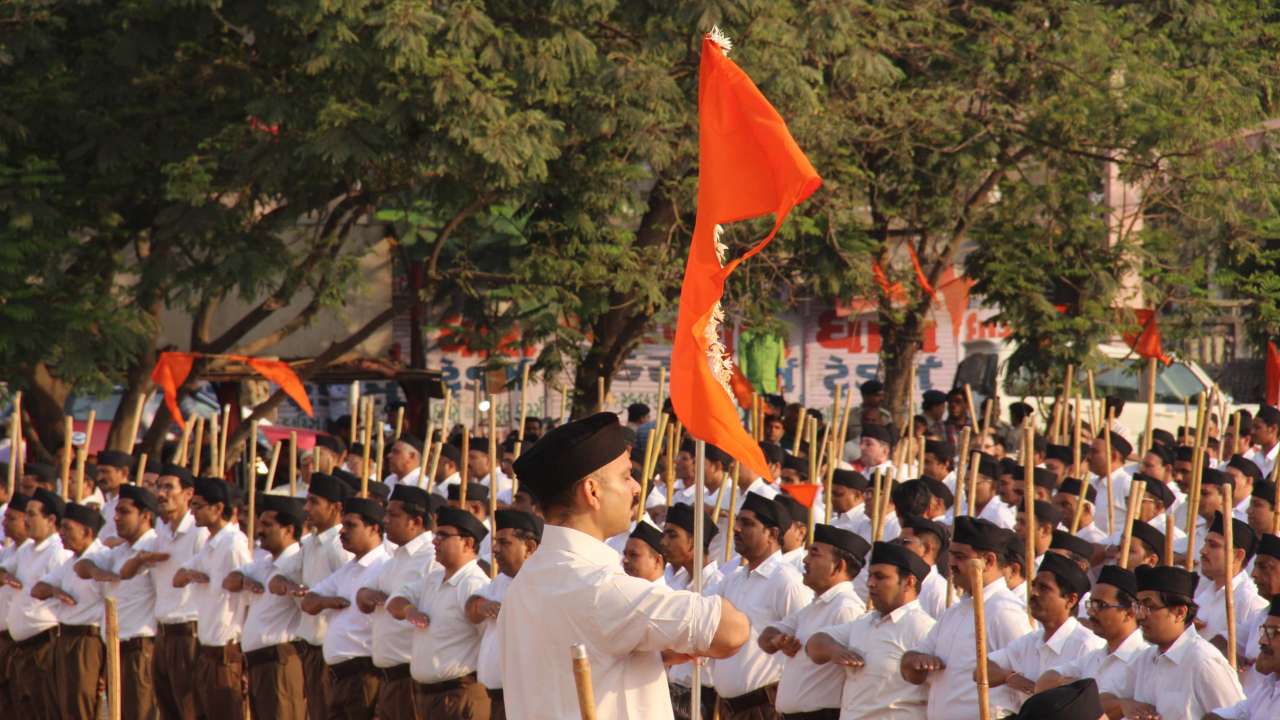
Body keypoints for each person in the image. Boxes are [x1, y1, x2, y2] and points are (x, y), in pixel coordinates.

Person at [499, 412, 751, 719]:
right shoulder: (599, 586)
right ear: (592, 491)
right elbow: (732, 631)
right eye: (625, 475)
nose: (636, 487)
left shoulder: (524, 584)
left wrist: (654, 649)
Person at [900, 516, 1033, 719]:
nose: (951, 563)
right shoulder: (955, 612)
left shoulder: (1005, 612)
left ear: (988, 561)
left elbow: (1026, 681)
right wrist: (915, 661)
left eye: (960, 556)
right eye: (951, 555)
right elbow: (913, 663)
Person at [806, 540, 934, 719]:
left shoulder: (924, 629)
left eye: (880, 577)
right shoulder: (865, 622)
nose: (870, 584)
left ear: (908, 583)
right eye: (870, 576)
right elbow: (815, 643)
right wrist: (835, 651)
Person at [120, 463, 209, 720]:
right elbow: (126, 573)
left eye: (169, 487)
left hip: (189, 632)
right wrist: (141, 559)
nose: (161, 493)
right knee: (168, 710)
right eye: (159, 487)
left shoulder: (198, 532)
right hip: (163, 633)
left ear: (188, 494)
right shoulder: (160, 532)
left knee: (190, 709)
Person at [713, 492, 814, 719]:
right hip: (730, 708)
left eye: (747, 523)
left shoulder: (786, 581)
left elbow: (805, 639)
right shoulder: (734, 579)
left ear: (773, 534)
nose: (736, 528)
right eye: (737, 521)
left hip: (765, 708)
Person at [387, 505, 491, 719]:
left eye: (443, 536)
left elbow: (488, 642)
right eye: (436, 535)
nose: (435, 541)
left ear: (468, 543)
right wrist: (409, 611)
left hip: (458, 696)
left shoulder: (474, 584)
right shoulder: (433, 579)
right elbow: (394, 602)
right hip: (428, 697)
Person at [760, 524, 868, 719]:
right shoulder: (813, 607)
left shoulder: (846, 608)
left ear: (839, 566)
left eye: (814, 554)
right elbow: (765, 637)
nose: (805, 560)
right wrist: (779, 641)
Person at [1112, 564, 1244, 719]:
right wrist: (1126, 705)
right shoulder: (1145, 659)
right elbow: (1105, 699)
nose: (1140, 616)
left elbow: (1235, 716)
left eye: (1149, 606)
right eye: (1138, 607)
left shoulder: (1203, 662)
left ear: (1180, 612)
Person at [301, 496, 391, 719]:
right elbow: (308, 602)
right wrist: (328, 602)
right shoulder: (348, 569)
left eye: (351, 525)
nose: (342, 532)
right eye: (342, 525)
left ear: (374, 529)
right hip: (338, 676)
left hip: (364, 674)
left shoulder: (384, 567)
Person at [76, 484, 160, 719]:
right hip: (115, 648)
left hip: (139, 649)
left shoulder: (153, 546)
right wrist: (95, 571)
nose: (116, 518)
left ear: (145, 515)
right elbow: (81, 565)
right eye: (116, 512)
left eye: (124, 512)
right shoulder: (119, 551)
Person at [355, 484, 437, 720]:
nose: (385, 520)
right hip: (388, 676)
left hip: (410, 675)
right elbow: (361, 595)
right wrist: (369, 596)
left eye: (393, 514)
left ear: (416, 522)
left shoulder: (432, 559)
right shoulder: (394, 559)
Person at [174, 477, 253, 718]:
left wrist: (245, 662)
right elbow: (177, 579)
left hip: (227, 653)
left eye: (198, 506)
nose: (192, 511)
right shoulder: (210, 543)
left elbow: (249, 598)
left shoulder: (233, 544)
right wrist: (190, 574)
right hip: (207, 651)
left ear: (218, 508)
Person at [277, 472, 353, 720]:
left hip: (329, 649)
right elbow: (280, 575)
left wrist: (320, 601)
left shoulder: (340, 546)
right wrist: (290, 588)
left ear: (336, 507)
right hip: (310, 645)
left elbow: (348, 597)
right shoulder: (310, 542)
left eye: (314, 502)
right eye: (307, 501)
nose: (306, 508)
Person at [986, 553, 1102, 710]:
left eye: (1044, 588)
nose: (1033, 593)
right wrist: (1009, 677)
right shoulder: (1029, 641)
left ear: (1071, 600)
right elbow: (982, 670)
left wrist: (1039, 688)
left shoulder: (1088, 645)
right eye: (1034, 585)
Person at [226, 495, 307, 720]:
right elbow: (229, 580)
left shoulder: (297, 563)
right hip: (259, 663)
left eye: (268, 525)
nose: (260, 530)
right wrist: (243, 581)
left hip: (279, 662)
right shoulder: (264, 564)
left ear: (289, 529)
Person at [33, 501, 107, 719]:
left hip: (87, 641)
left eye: (67, 528)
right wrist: (55, 591)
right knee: (62, 704)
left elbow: (112, 607)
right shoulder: (70, 562)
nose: (61, 533)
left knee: (81, 704)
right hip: (64, 638)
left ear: (87, 532)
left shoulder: (101, 559)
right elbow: (38, 589)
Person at [3, 488, 72, 719]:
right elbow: (5, 570)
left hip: (43, 646)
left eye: (32, 515)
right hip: (22, 647)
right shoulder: (27, 551)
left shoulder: (57, 553)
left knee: (42, 709)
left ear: (51, 520)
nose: (26, 520)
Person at [468, 509, 542, 720]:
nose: (494, 549)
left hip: (524, 701)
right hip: (496, 698)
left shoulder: (543, 585)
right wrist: (481, 605)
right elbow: (471, 607)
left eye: (504, 542)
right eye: (495, 541)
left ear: (529, 547)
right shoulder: (502, 579)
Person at [1037, 566, 1150, 700]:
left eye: (1101, 605)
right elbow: (1043, 683)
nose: (1090, 612)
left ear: (1129, 613)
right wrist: (1079, 688)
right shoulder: (1094, 657)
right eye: (1091, 604)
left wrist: (1075, 690)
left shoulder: (1144, 660)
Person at [661, 502, 725, 720]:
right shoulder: (673, 585)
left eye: (672, 535)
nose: (664, 542)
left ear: (694, 542)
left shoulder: (719, 588)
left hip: (704, 696)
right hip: (671, 687)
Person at [1197, 511, 1267, 656]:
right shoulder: (1201, 591)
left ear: (1238, 555)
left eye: (1213, 545)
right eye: (1205, 543)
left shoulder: (1250, 600)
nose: (1203, 551)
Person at [1206, 597, 1280, 720]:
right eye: (1264, 632)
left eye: (1274, 633)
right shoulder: (1269, 685)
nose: (1262, 641)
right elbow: (1235, 713)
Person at [0, 493, 31, 714]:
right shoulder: (9, 552)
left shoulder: (36, 552)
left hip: (20, 641)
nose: (4, 522)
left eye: (11, 518)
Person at [897, 515, 949, 619]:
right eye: (898, 542)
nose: (898, 548)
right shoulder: (899, 582)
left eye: (905, 542)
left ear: (927, 548)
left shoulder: (939, 592)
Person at [1246, 405, 1280, 479]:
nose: (1252, 431)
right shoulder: (1253, 460)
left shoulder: (1277, 459)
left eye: (1257, 427)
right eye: (1252, 427)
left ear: (1273, 429)